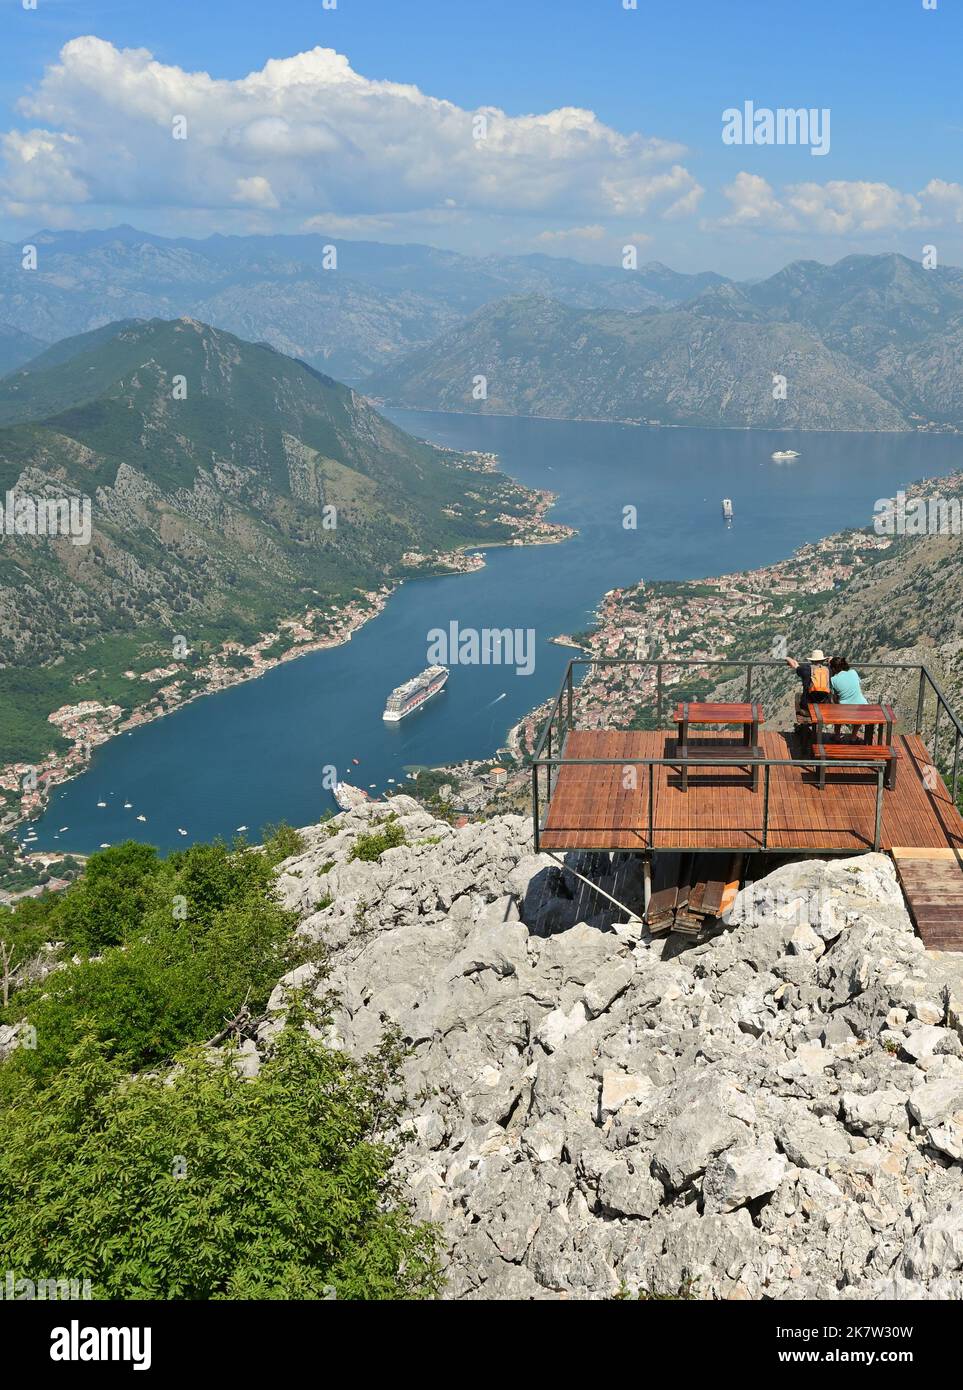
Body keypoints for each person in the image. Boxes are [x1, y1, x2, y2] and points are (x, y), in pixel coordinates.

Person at [829, 656, 868, 741]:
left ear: (833, 669)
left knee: (837, 708)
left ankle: (837, 736)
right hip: (863, 707)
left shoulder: (833, 680)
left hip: (845, 711)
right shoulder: (853, 672)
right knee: (858, 707)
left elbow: (834, 698)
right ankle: (853, 737)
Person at [785, 648, 832, 716]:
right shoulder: (828, 670)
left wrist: (787, 658)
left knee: (798, 696)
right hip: (825, 705)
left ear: (812, 660)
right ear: (823, 660)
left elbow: (794, 664)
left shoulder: (805, 669)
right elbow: (833, 662)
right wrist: (830, 659)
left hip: (808, 706)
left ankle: (807, 716)